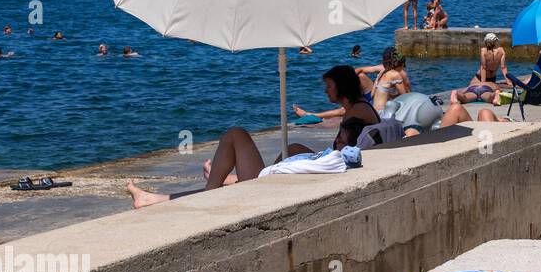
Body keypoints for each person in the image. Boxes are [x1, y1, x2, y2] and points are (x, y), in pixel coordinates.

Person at [126, 66, 379, 208]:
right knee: (293, 146)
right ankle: (232, 178)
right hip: (314, 171)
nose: (325, 90)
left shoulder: (353, 118)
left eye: (329, 86)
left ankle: (204, 192)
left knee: (236, 134)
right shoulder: (361, 109)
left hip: (288, 185)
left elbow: (341, 146)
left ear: (340, 87)